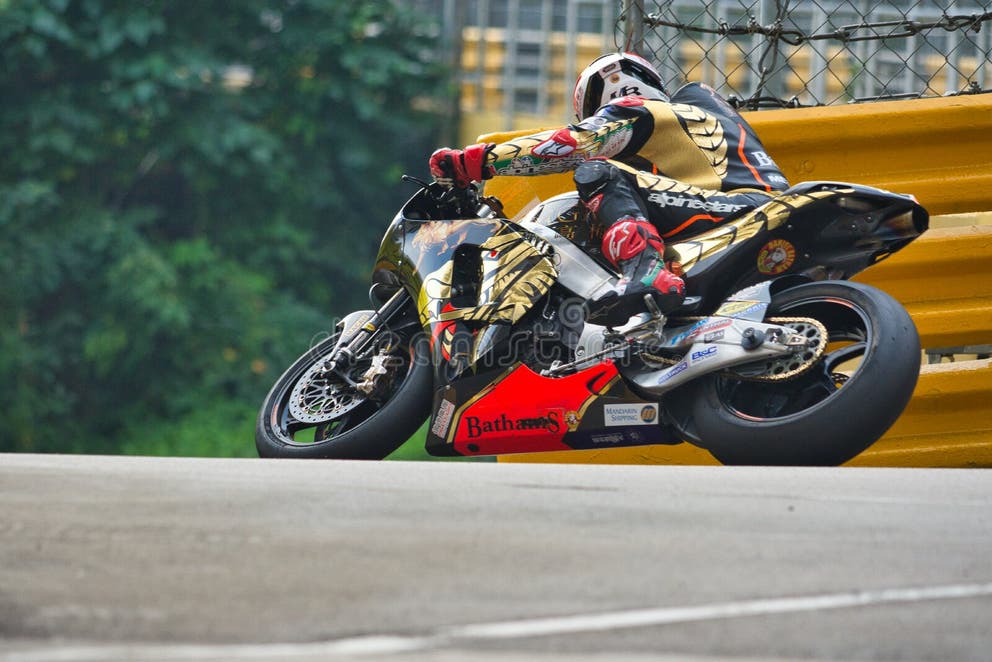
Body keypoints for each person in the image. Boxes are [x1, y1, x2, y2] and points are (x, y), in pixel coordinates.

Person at [429, 52, 790, 325]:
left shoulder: (640, 111)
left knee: (597, 171)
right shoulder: (697, 121)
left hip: (737, 208)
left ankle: (645, 272)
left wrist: (474, 162)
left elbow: (576, 144)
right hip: (746, 212)